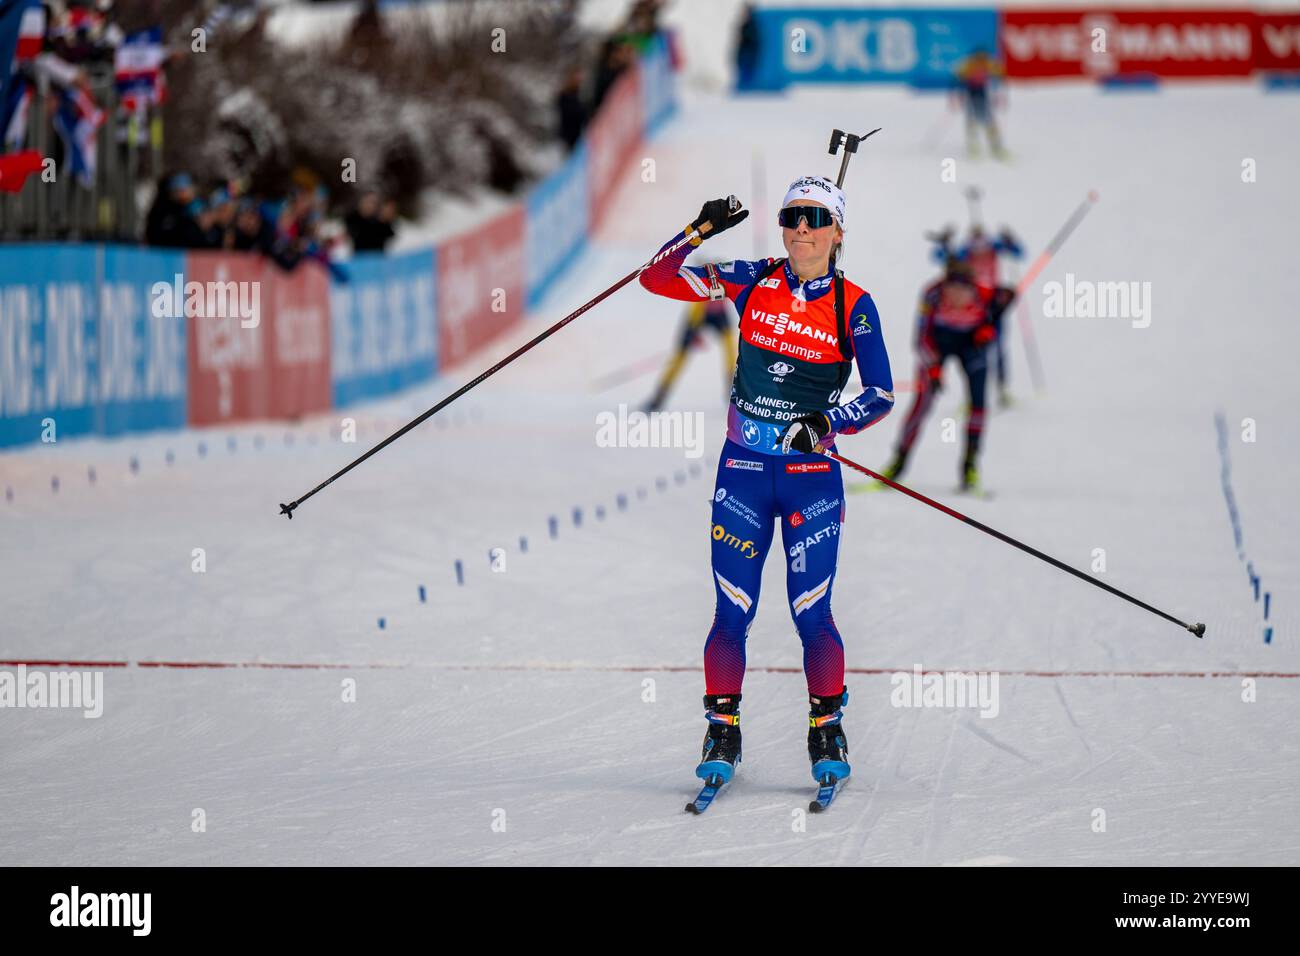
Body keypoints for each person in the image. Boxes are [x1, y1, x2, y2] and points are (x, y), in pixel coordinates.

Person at [639, 177, 895, 793]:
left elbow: (882, 393)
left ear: (837, 231)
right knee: (732, 610)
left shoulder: (854, 305)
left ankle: (826, 730)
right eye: (791, 216)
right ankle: (721, 732)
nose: (801, 227)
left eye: (815, 217)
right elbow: (655, 277)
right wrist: (698, 230)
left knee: (812, 612)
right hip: (744, 474)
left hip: (810, 479)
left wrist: (828, 422)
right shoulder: (752, 278)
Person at [881, 255, 1014, 492]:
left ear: (972, 288)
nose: (956, 296)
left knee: (978, 406)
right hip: (937, 345)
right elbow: (921, 339)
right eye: (952, 289)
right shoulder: (932, 294)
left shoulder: (985, 294)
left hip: (971, 346)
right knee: (922, 404)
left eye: (963, 291)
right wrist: (933, 368)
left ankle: (970, 468)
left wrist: (989, 328)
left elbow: (1009, 296)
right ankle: (897, 464)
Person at [931, 223, 1023, 404]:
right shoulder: (965, 252)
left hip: (992, 305)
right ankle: (973, 396)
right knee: (975, 354)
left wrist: (1010, 240)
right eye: (975, 242)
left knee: (998, 347)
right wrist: (943, 244)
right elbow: (942, 258)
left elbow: (1018, 252)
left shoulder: (994, 248)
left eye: (982, 241)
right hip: (972, 306)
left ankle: (1002, 388)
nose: (979, 248)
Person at [643, 261, 737, 412]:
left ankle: (734, 396)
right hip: (697, 317)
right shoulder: (698, 294)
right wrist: (692, 335)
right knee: (679, 358)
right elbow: (693, 317)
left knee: (732, 355)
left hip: (719, 316)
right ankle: (659, 398)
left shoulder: (723, 280)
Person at [952, 47, 1007, 160]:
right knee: (972, 118)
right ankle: (973, 143)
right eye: (979, 59)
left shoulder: (987, 63)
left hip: (982, 93)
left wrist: (999, 74)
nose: (980, 62)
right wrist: (959, 90)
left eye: (982, 59)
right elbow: (957, 74)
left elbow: (999, 71)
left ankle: (995, 144)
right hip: (971, 93)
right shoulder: (969, 64)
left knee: (988, 118)